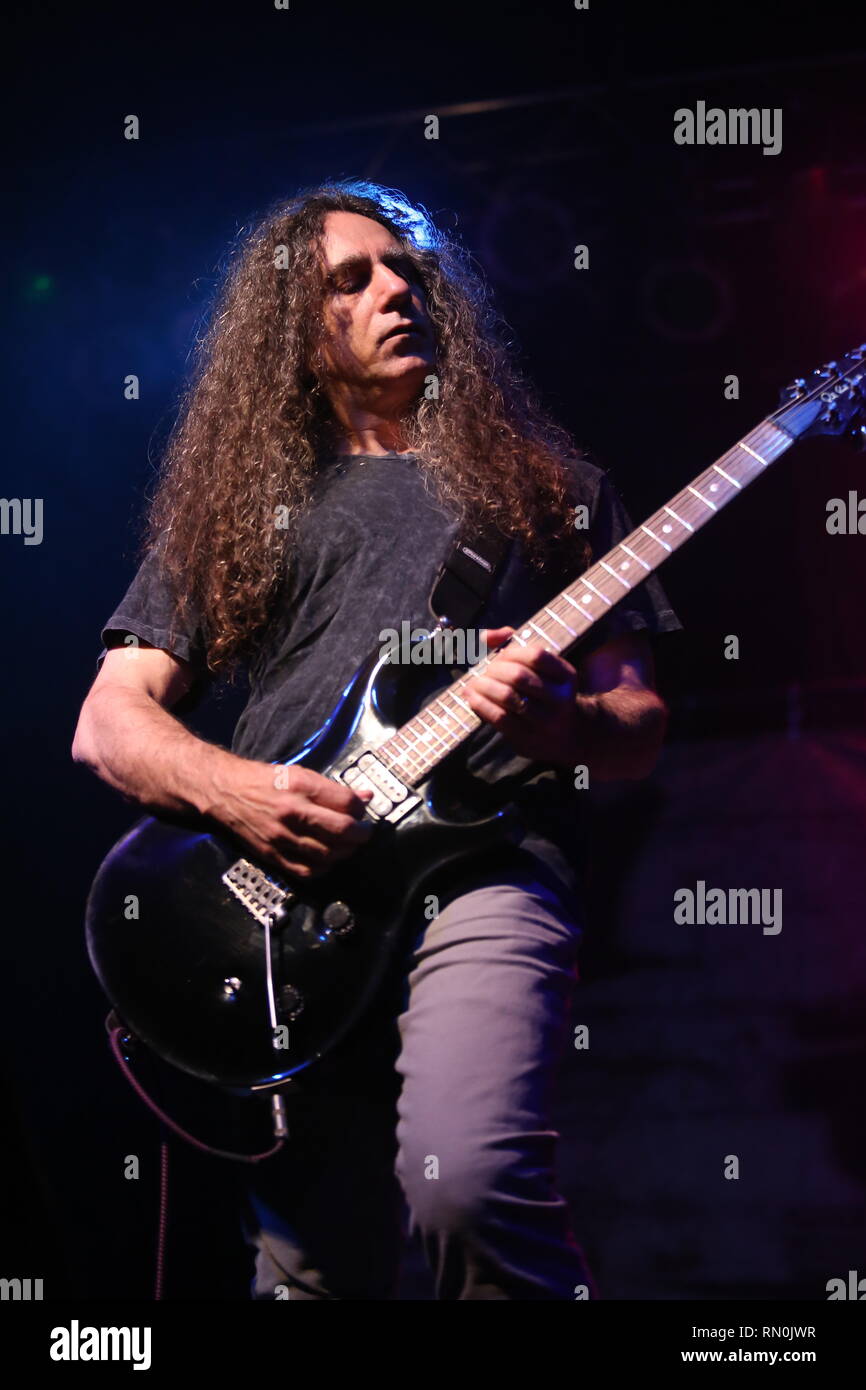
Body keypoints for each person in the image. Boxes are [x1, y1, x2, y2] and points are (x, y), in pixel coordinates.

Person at [72, 180, 681, 1300]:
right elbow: (109, 722)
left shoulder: (552, 493)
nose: (395, 287)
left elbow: (635, 728)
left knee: (472, 1180)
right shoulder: (241, 507)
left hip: (485, 871)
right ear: (294, 335)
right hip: (288, 906)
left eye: (407, 268)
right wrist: (239, 792)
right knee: (308, 1269)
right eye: (350, 280)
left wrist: (564, 725)